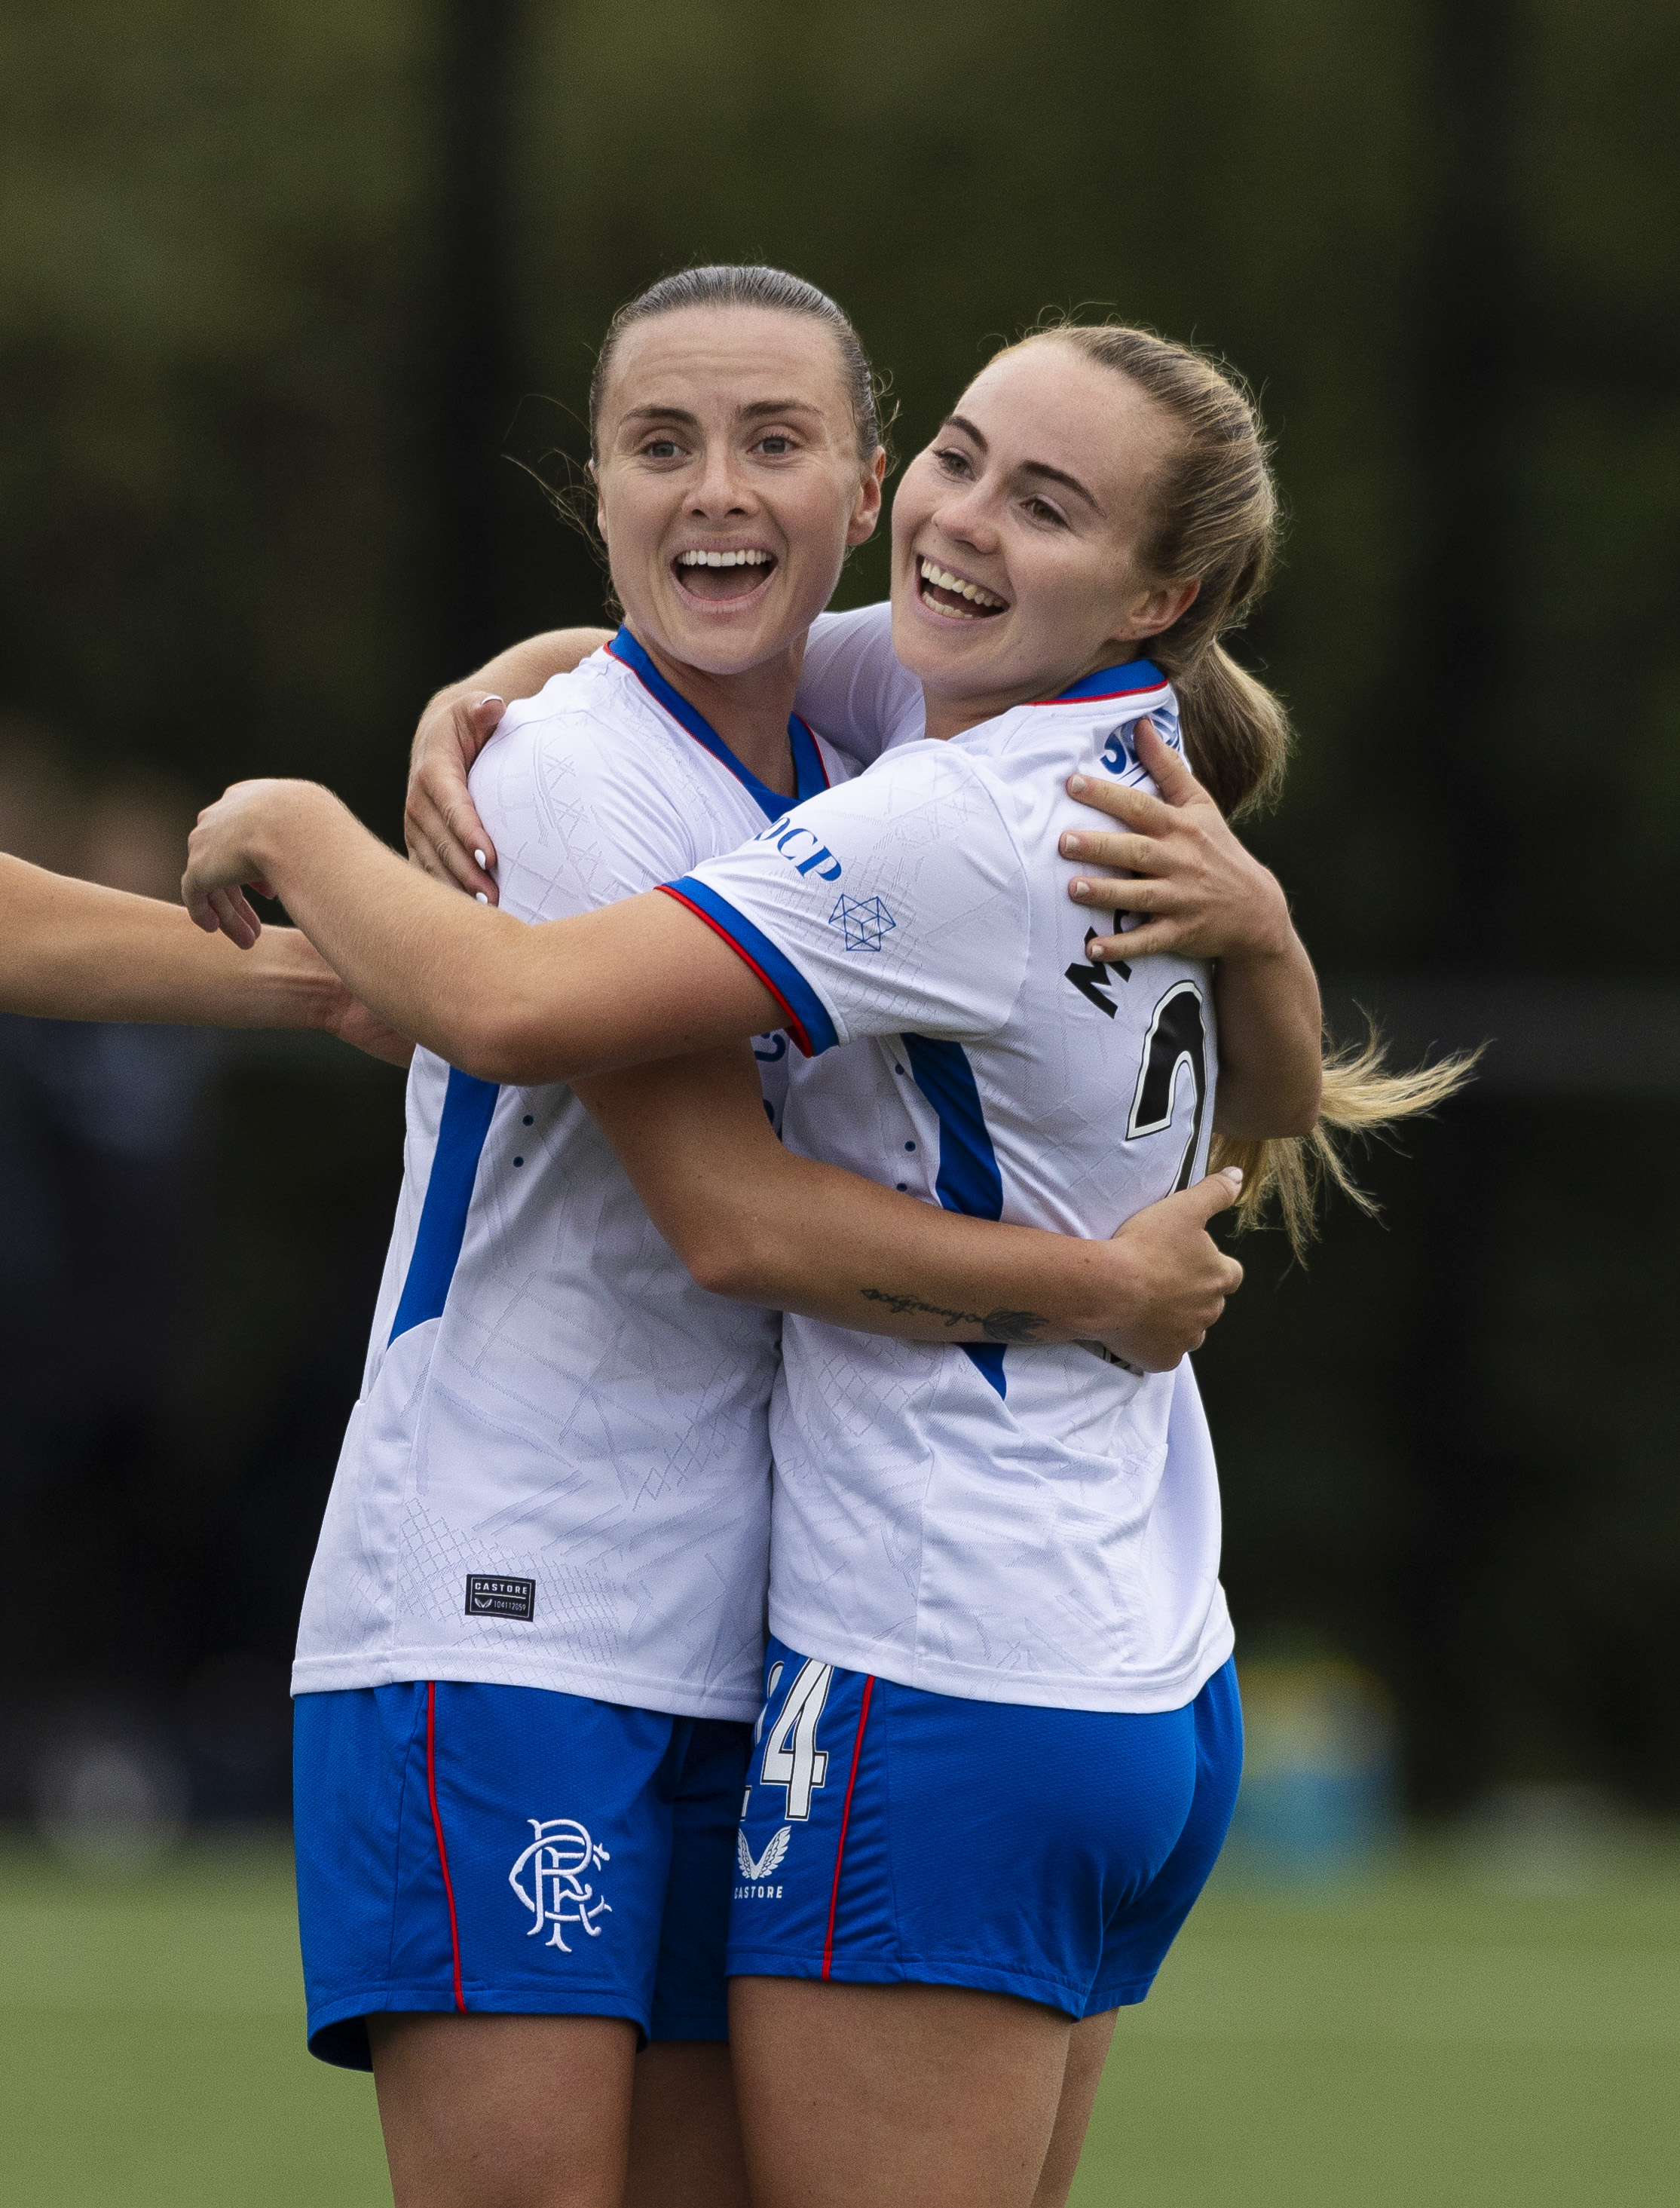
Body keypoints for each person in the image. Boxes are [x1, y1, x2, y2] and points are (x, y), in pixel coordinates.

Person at [181, 311, 1453, 2208]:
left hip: (936, 1653)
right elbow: (1270, 1104)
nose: (966, 517)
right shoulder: (1048, 735)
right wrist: (508, 682)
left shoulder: (939, 803)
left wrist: (287, 816)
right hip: (1082, 1645)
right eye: (962, 455)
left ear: (1157, 588)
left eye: (1040, 499)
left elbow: (616, 1104)